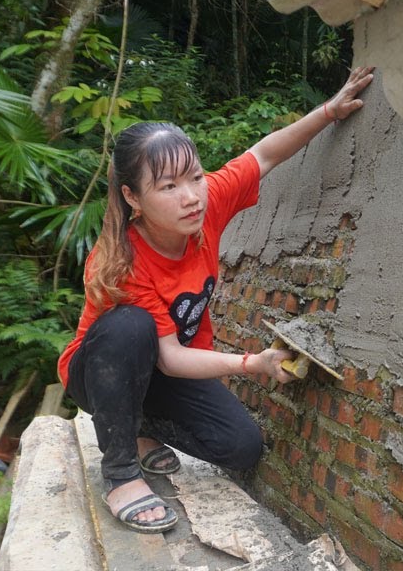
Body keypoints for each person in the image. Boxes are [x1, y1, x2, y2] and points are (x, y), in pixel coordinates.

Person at [56, 66, 374, 533]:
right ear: (133, 197)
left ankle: (140, 428)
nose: (190, 198)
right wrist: (252, 363)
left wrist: (329, 110)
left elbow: (263, 155)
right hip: (100, 374)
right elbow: (168, 354)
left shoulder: (207, 204)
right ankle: (121, 472)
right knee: (131, 326)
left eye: (194, 177)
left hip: (162, 373)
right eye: (168, 186)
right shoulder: (121, 262)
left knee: (241, 446)